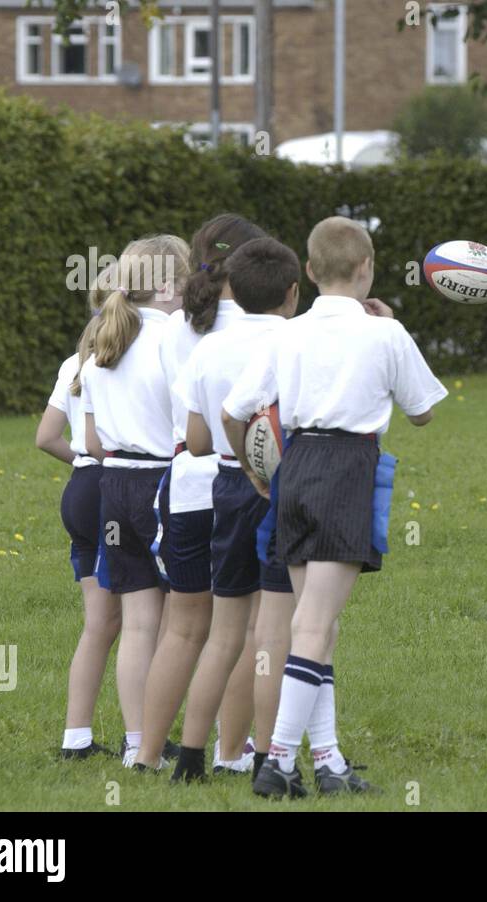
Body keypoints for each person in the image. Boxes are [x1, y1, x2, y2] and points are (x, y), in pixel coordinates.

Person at [223, 217, 447, 797]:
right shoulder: (384, 334)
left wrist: (255, 472)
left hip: (294, 469)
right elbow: (422, 411)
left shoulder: (285, 333)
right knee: (315, 627)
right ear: (367, 267)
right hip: (348, 468)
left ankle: (329, 763)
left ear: (311, 270)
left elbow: (234, 410)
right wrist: (394, 329)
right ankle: (277, 763)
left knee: (314, 627)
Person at [135, 214, 268, 774]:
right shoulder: (270, 330)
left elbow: (184, 425)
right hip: (244, 482)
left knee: (185, 629)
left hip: (187, 485)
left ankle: (144, 756)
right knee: (246, 628)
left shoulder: (175, 327)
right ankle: (232, 753)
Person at [169, 237, 302, 782]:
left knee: (224, 634)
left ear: (233, 292)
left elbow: (197, 441)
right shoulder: (299, 342)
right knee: (276, 635)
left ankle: (191, 759)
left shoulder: (207, 349)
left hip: (224, 485)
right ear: (294, 292)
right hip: (284, 488)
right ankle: (271, 759)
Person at [79, 235, 191, 767]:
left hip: (113, 482)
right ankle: (157, 744)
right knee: (180, 622)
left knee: (138, 622)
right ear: (170, 284)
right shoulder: (175, 336)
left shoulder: (103, 336)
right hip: (162, 481)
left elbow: (95, 441)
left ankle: (134, 743)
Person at [37, 267, 121, 759]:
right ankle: (144, 740)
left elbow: (46, 437)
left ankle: (76, 739)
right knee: (141, 622)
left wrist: (83, 465)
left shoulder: (75, 362)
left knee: (99, 625)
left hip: (81, 492)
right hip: (117, 490)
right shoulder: (125, 358)